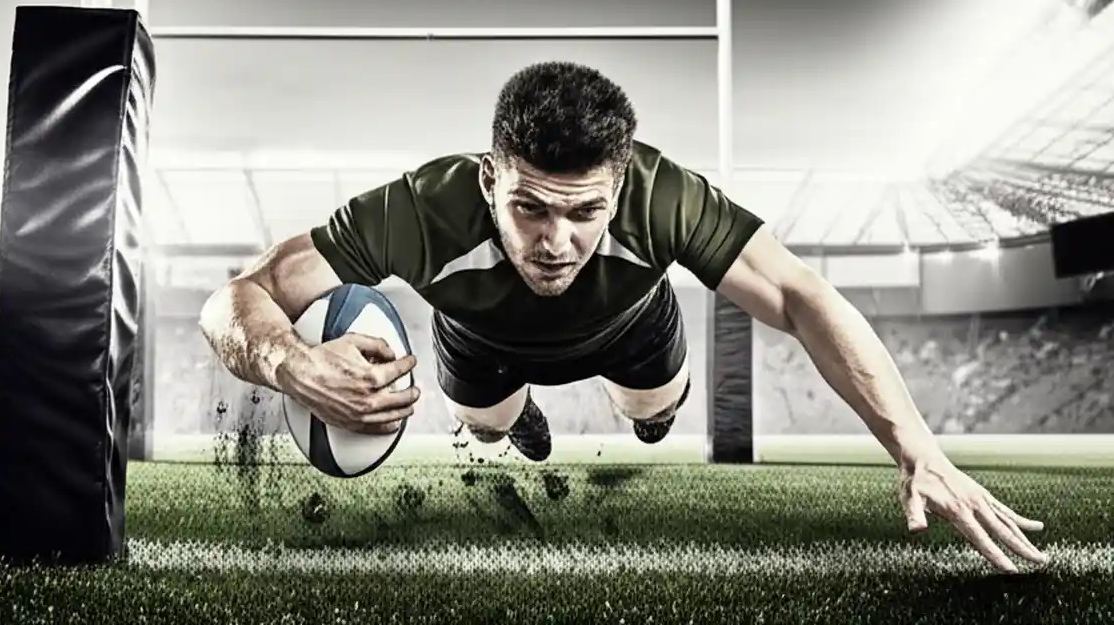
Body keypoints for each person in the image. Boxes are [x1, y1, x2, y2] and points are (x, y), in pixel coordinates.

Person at [199, 61, 1049, 574]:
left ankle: (642, 416)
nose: (556, 241)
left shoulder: (663, 197)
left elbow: (799, 296)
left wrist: (918, 448)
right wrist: (290, 363)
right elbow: (238, 294)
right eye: (531, 207)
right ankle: (522, 426)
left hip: (631, 331)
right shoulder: (422, 208)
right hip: (480, 344)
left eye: (585, 212)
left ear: (621, 184)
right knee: (493, 434)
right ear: (490, 179)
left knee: (650, 417)